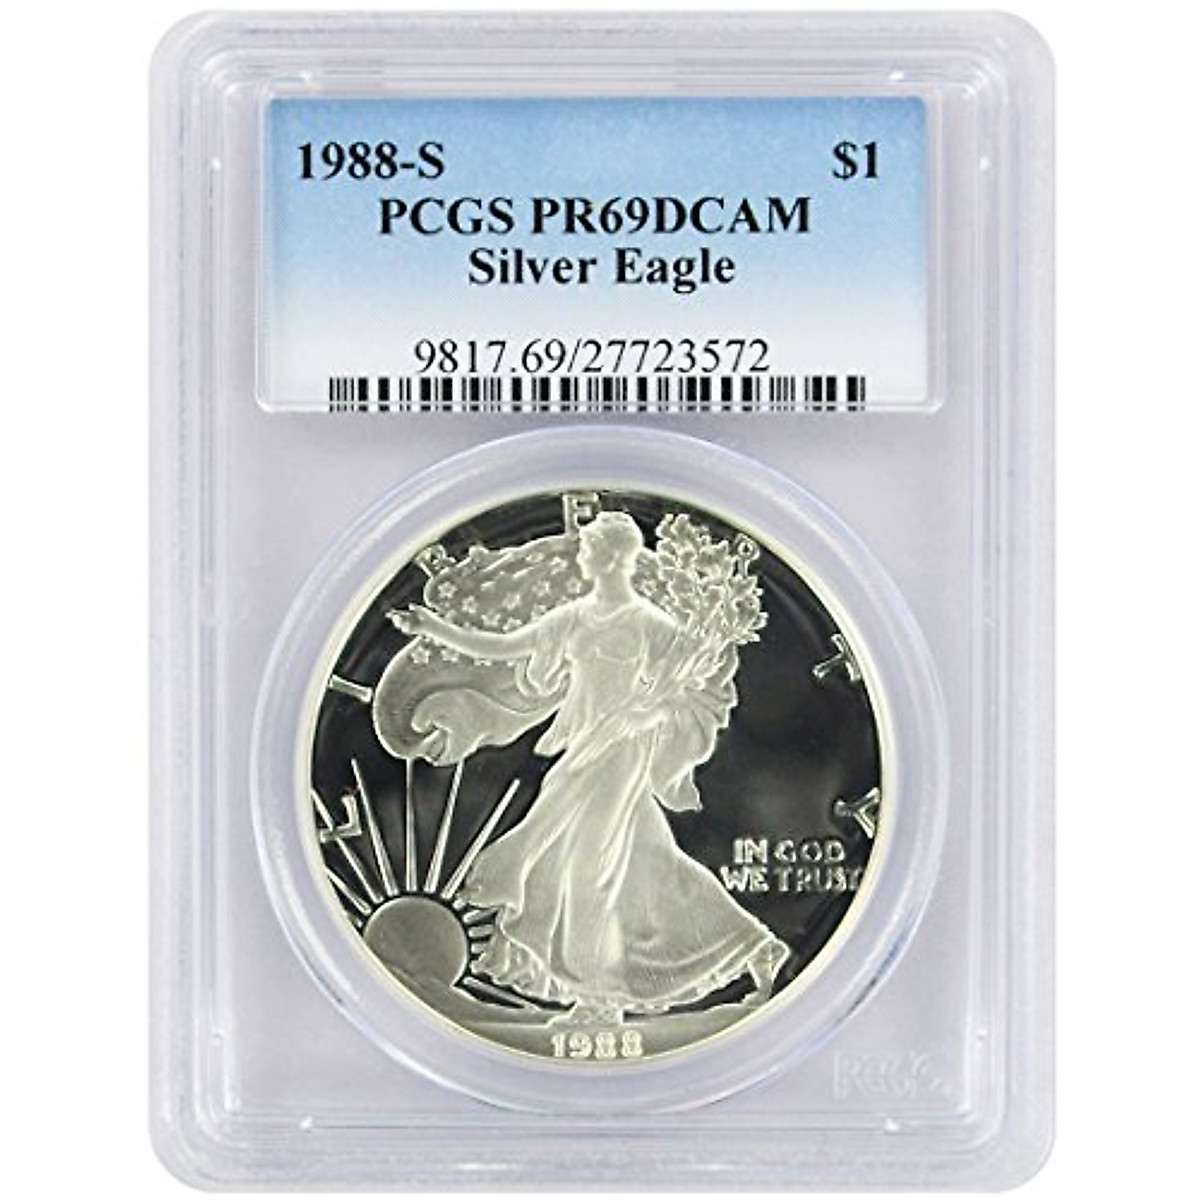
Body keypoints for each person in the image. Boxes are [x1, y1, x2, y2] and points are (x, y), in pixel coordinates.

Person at [392, 511, 786, 1023]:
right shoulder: (574, 617)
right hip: (583, 751)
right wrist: (433, 628)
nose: (582, 555)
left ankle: (599, 999)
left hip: (622, 753)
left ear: (614, 557)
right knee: (648, 864)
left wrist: (646, 713)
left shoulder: (649, 625)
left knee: (587, 869)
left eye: (590, 548)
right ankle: (756, 947)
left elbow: (690, 690)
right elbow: (505, 648)